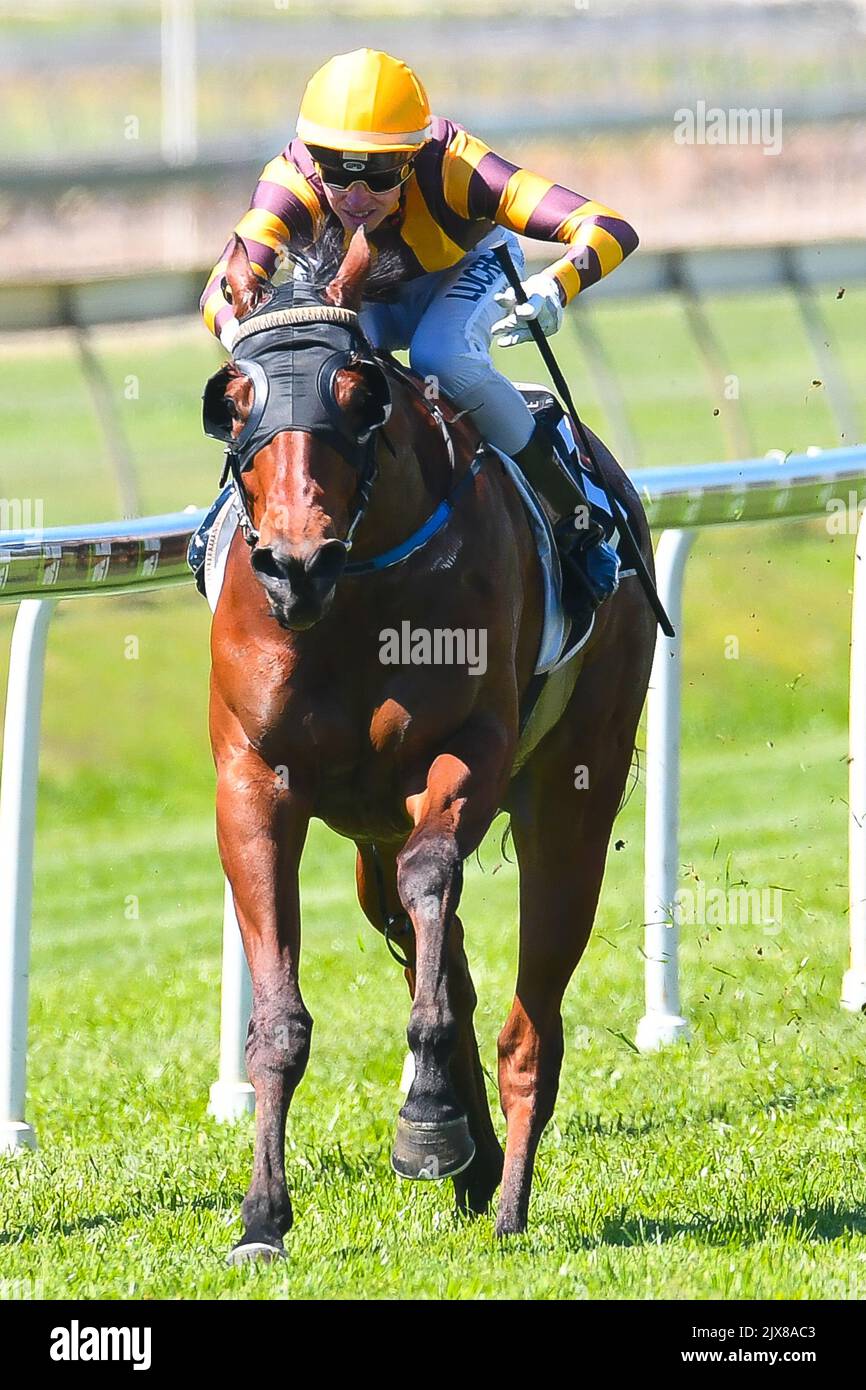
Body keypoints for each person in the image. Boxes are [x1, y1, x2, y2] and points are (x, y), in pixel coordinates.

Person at [196, 48, 639, 617]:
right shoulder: (290, 181)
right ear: (312, 158)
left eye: (378, 175)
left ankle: (574, 518)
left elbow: (608, 226)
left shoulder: (457, 166)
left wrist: (558, 284)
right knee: (309, 376)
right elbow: (220, 289)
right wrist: (254, 343)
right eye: (337, 171)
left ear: (412, 157)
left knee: (442, 357)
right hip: (358, 291)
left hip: (461, 270)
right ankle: (230, 522)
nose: (356, 198)